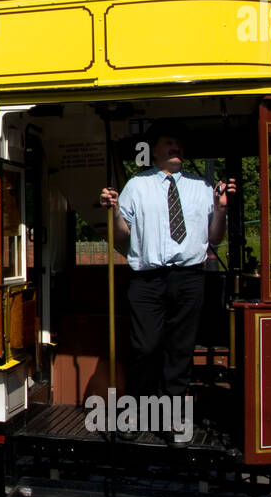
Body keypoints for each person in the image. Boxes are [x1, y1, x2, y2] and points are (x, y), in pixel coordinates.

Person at [98, 123, 235, 444]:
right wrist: (116, 210)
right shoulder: (136, 186)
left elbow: (215, 237)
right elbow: (121, 239)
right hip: (147, 280)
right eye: (169, 142)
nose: (176, 148)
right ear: (155, 151)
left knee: (180, 350)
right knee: (144, 347)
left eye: (179, 143)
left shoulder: (201, 187)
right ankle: (135, 411)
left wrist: (220, 210)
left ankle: (172, 416)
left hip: (188, 278)